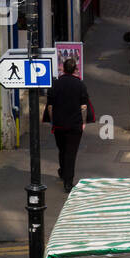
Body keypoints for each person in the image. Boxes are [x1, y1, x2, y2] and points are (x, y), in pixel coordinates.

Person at [43, 56, 93, 193]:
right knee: (71, 152)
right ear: (75, 70)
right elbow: (84, 106)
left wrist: (53, 121)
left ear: (63, 69)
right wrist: (83, 122)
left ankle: (62, 171)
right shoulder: (80, 84)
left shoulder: (55, 84)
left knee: (62, 149)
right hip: (75, 124)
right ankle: (68, 182)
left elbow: (50, 107)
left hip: (59, 124)